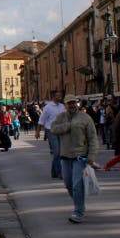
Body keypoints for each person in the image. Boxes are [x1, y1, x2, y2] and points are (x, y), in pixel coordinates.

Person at [50, 95, 99, 223]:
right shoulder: (61, 117)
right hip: (65, 156)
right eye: (69, 103)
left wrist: (91, 156)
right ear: (65, 105)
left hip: (79, 156)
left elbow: (93, 138)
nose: (72, 105)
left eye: (73, 103)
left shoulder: (85, 118)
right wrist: (67, 126)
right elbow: (53, 128)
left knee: (77, 184)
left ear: (76, 104)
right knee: (68, 184)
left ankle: (78, 211)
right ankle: (79, 203)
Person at [36, 90, 66, 179]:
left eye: (60, 95)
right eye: (57, 95)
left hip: (61, 130)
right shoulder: (48, 107)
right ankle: (60, 172)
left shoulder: (62, 106)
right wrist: (38, 132)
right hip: (51, 131)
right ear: (53, 97)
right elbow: (42, 120)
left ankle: (54, 172)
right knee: (57, 152)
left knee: (60, 152)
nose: (60, 96)